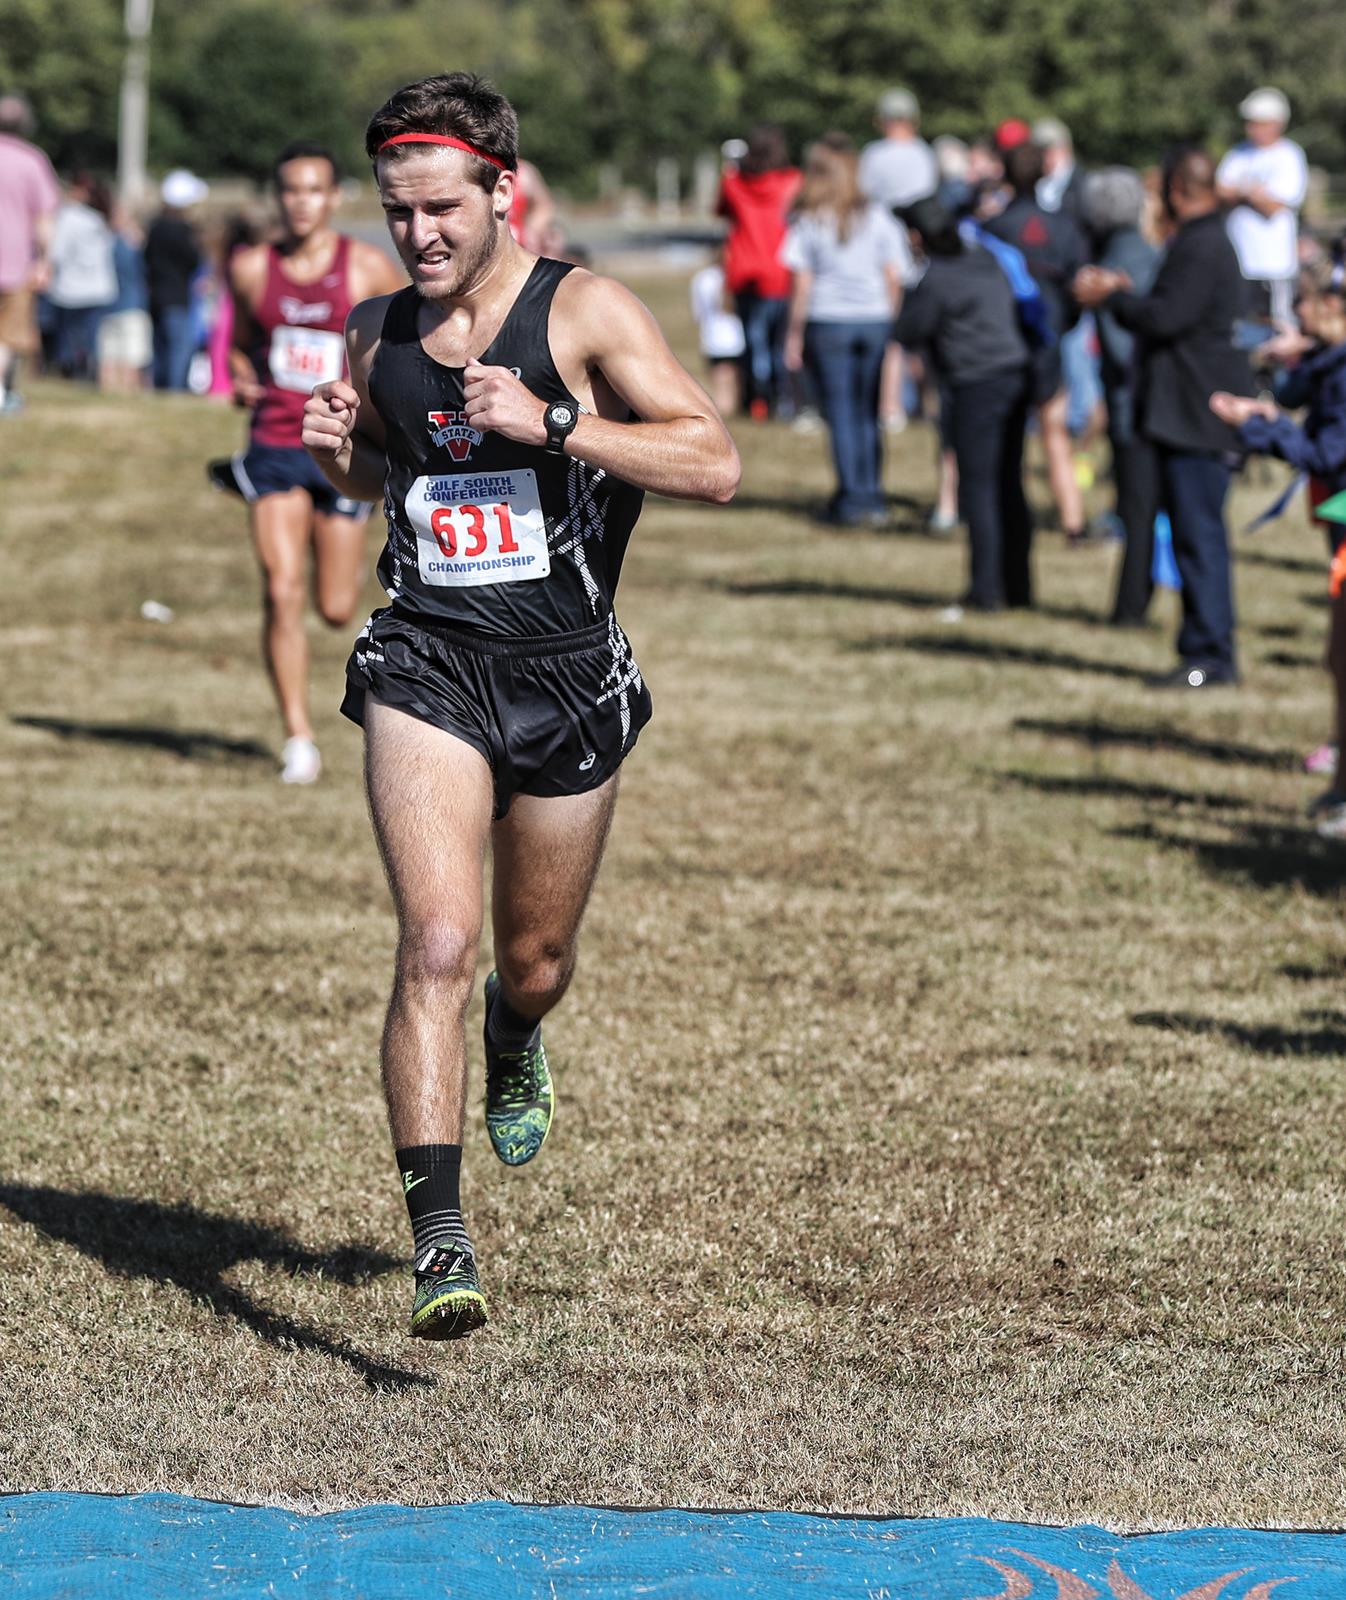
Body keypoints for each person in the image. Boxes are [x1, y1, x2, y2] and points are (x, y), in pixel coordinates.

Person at [300, 73, 739, 1340]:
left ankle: (514, 1031)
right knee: (434, 941)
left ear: (503, 190)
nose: (419, 235)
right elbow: (398, 467)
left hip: (564, 673)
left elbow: (710, 460)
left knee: (529, 961)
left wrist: (553, 421)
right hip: (426, 662)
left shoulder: (584, 310)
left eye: (442, 208)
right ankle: (439, 1237)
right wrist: (346, 451)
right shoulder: (377, 330)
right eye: (397, 212)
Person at [223, 141, 404, 785]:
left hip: (342, 448)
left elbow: (404, 342)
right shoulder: (249, 269)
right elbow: (242, 346)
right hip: (275, 442)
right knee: (280, 590)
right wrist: (243, 376)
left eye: (313, 190)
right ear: (278, 197)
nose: (301, 202)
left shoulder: (367, 270)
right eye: (290, 190)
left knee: (333, 606)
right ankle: (297, 736)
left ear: (333, 197)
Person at [1075, 148, 1252, 688]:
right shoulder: (1203, 241)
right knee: (1192, 533)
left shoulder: (1202, 244)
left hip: (1195, 409)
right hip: (1185, 406)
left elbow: (1168, 317)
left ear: (1177, 190)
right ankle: (1201, 647)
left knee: (1199, 536)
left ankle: (1209, 655)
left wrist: (1116, 299)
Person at [1210, 259, 1346, 818]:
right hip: (1338, 521)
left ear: (1333, 308)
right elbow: (1294, 394)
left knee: (1342, 654)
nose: (1295, 315)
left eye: (1304, 306)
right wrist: (1296, 358)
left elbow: (1325, 453)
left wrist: (1255, 428)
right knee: (1338, 655)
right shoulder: (1328, 361)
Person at [895, 198, 1033, 612]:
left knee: (980, 487)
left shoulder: (938, 279)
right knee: (1009, 483)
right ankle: (1018, 587)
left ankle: (987, 591)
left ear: (918, 237)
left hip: (977, 386)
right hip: (1015, 376)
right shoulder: (984, 258)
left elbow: (908, 328)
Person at [781, 139, 910, 527]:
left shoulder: (810, 219)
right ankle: (871, 494)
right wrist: (894, 324)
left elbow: (802, 282)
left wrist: (794, 332)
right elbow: (895, 274)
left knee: (841, 412)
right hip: (873, 320)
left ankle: (852, 498)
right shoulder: (879, 216)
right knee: (868, 411)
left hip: (828, 320)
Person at [985, 142, 1091, 545]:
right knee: (1055, 434)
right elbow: (1076, 288)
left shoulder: (995, 228)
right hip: (1048, 343)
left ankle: (1005, 518)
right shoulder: (1064, 228)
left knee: (1005, 442)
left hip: (1006, 346)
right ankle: (1073, 523)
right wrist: (1063, 325)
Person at [1079, 168, 1160, 550]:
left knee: (1132, 459)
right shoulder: (1145, 251)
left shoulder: (1120, 258)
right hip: (1132, 384)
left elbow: (1122, 342)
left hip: (1132, 388)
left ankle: (1130, 518)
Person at [858, 89, 936, 436]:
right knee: (917, 331)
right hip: (914, 249)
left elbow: (863, 201)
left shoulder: (874, 155)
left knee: (891, 332)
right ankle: (923, 401)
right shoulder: (924, 154)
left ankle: (890, 405)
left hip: (879, 251)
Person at [716, 124, 800, 420]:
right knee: (780, 341)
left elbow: (720, 211)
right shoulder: (792, 181)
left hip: (746, 271)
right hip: (782, 271)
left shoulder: (734, 183)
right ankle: (783, 398)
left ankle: (758, 398)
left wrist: (729, 170)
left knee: (754, 340)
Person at [1216, 88, 1308, 326]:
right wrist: (1251, 192)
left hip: (1273, 266)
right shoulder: (1238, 153)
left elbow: (1274, 206)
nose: (1251, 129)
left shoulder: (1289, 155)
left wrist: (1240, 191)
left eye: (1257, 123)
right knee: (1238, 324)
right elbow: (1218, 192)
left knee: (1278, 326)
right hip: (1239, 262)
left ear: (1276, 123)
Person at [0, 93, 59, 414]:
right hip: (15, 264)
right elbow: (44, 221)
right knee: (7, 336)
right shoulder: (32, 160)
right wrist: (44, 261)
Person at [46, 172, 117, 380]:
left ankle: (73, 373)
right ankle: (89, 373)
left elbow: (56, 252)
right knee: (90, 339)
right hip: (99, 288)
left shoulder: (69, 217)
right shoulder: (99, 219)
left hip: (71, 289)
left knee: (70, 339)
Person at [145, 169, 206, 391]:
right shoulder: (182, 230)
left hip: (157, 298)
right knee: (178, 350)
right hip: (177, 298)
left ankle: (162, 389)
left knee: (161, 349)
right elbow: (193, 260)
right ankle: (174, 390)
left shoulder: (155, 227)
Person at [97, 203, 152, 394]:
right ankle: (129, 393)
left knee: (108, 358)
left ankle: (109, 392)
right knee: (132, 359)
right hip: (131, 306)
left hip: (106, 307)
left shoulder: (103, 243)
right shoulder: (130, 245)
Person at [689, 252, 745, 417]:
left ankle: (725, 418)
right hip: (735, 339)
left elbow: (697, 314)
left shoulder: (701, 279)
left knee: (719, 387)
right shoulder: (732, 276)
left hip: (712, 339)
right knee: (732, 386)